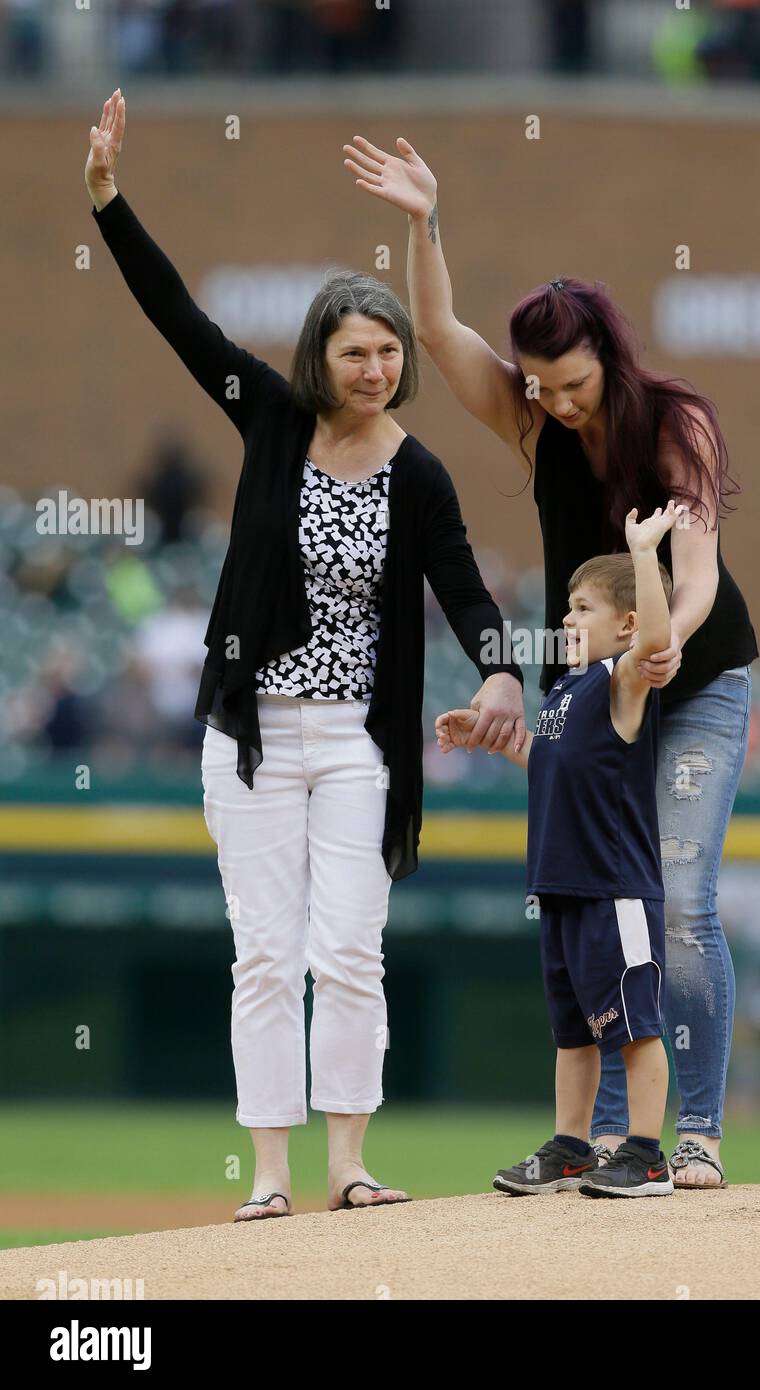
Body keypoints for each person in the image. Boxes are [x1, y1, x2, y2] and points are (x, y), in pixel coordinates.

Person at [84, 90, 526, 1221]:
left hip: (359, 742)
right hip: (255, 731)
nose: (375, 367)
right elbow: (177, 318)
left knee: (352, 949)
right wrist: (109, 202)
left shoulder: (418, 473)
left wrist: (501, 665)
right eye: (354, 349)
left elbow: (464, 586)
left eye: (388, 351)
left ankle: (349, 1166)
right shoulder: (273, 419)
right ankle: (270, 1176)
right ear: (318, 355)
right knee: (265, 957)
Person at [346, 134, 757, 1187]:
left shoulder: (674, 424)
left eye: (570, 384)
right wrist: (423, 219)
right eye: (539, 384)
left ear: (607, 364)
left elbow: (701, 568)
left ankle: (693, 1130)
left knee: (675, 895)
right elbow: (435, 330)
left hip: (693, 678)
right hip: (595, 681)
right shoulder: (533, 427)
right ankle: (604, 1139)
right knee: (593, 905)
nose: (555, 402)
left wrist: (667, 641)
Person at [437, 506, 682, 1197]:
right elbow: (546, 760)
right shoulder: (566, 689)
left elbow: (658, 637)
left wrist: (641, 554)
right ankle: (572, 1148)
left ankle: (644, 1153)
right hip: (563, 887)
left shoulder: (623, 679)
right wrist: (486, 733)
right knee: (574, 1032)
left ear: (625, 624)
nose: (568, 619)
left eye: (583, 608)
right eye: (568, 607)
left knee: (635, 1027)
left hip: (614, 887)